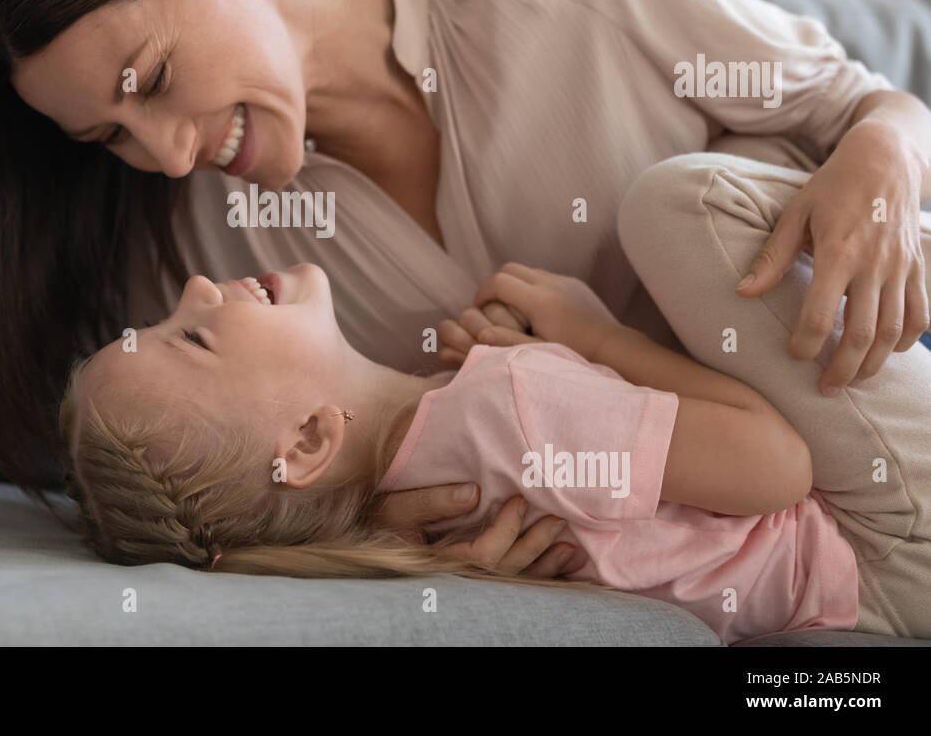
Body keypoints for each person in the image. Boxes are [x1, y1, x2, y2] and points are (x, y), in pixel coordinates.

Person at [0, 0, 931, 577]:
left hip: (861, 397)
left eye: (151, 82)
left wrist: (885, 156)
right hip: (780, 553)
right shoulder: (197, 253)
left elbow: (856, 106)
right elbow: (254, 472)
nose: (170, 156)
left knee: (684, 198)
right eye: (110, 135)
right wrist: (374, 531)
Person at [60, 153, 931, 640]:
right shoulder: (504, 404)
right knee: (678, 202)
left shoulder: (406, 528)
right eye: (194, 336)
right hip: (880, 538)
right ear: (310, 442)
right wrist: (597, 339)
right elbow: (778, 468)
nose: (202, 287)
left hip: (843, 614)